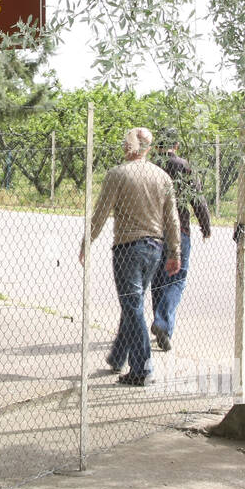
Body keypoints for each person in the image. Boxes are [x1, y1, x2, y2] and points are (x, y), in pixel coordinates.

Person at [79, 127, 181, 386]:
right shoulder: (162, 177)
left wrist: (86, 243)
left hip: (128, 249)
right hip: (155, 249)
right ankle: (117, 356)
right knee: (133, 303)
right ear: (148, 148)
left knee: (132, 306)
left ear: (129, 147)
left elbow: (101, 212)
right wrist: (174, 251)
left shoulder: (117, 175)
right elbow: (172, 219)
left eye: (125, 143)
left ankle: (142, 369)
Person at [149, 128, 213, 352]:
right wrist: (205, 226)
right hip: (180, 230)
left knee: (157, 280)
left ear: (157, 146)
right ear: (176, 145)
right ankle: (163, 323)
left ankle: (163, 326)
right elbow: (197, 198)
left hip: (154, 231)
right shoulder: (183, 165)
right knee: (177, 279)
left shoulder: (150, 167)